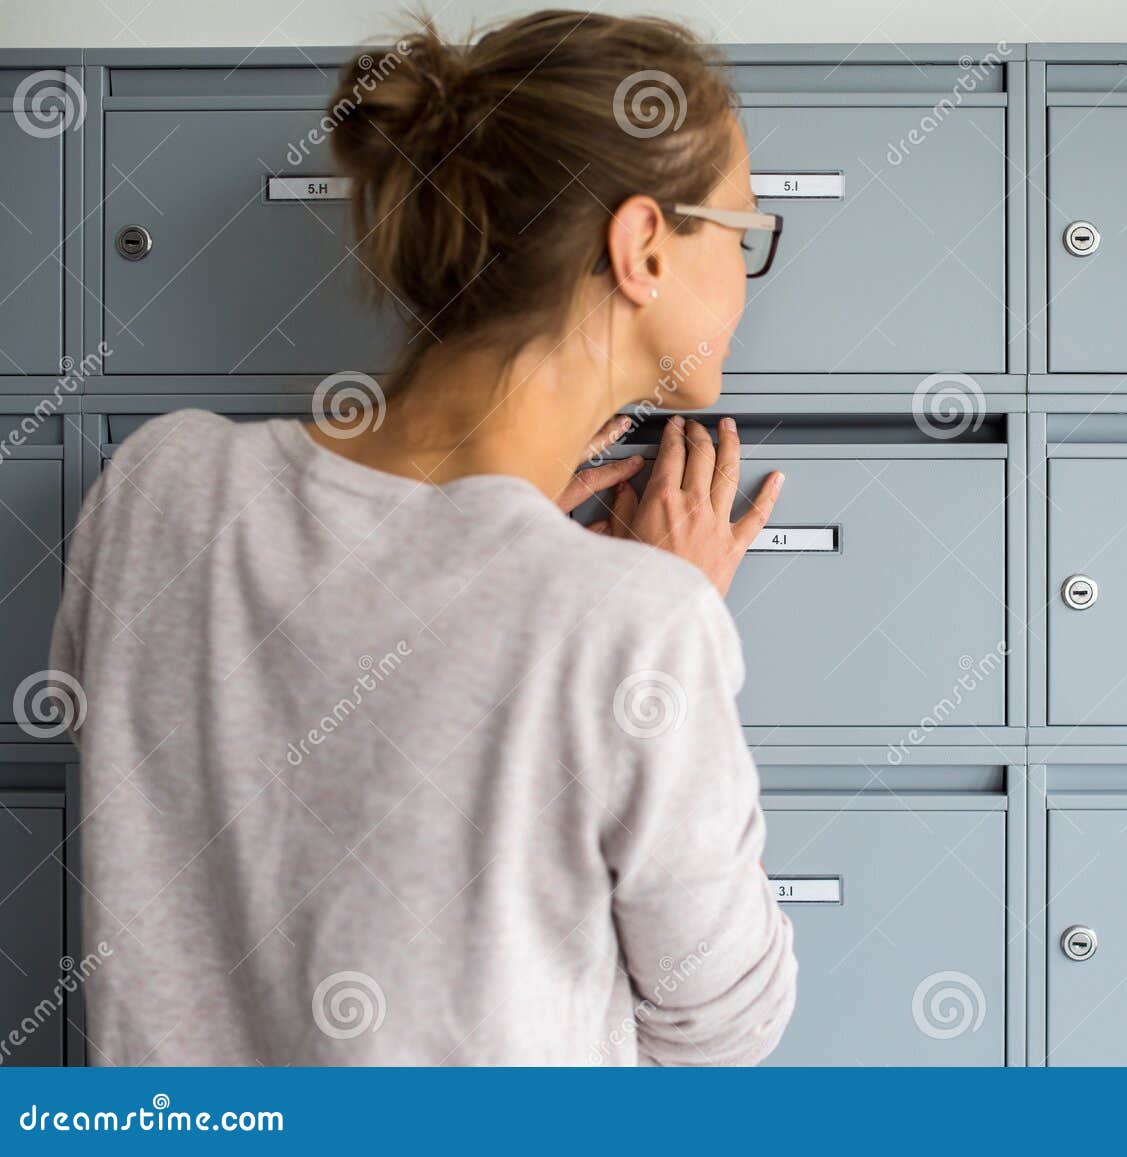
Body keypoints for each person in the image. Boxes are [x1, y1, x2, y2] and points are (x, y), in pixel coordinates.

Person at [51, 10, 797, 1065]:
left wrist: (526, 557)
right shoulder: (637, 617)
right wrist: (634, 623)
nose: (746, 270)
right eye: (740, 231)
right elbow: (725, 1026)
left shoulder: (157, 483)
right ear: (641, 247)